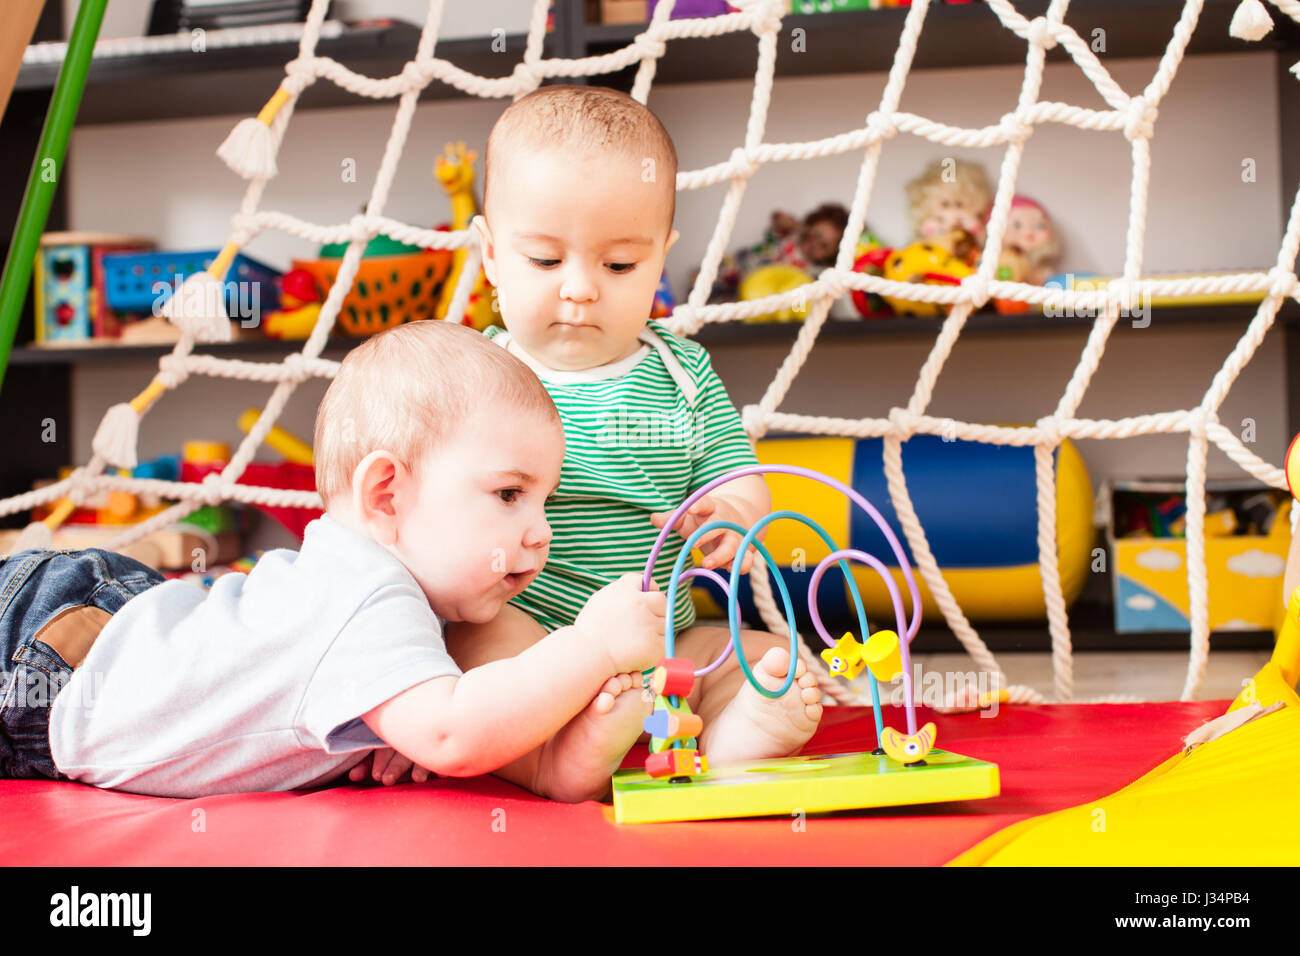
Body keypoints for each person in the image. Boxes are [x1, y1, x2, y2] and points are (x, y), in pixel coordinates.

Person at [0, 320, 665, 800]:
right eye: (510, 494)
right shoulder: (368, 596)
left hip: (105, 622)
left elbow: (445, 728)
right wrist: (592, 648)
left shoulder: (380, 592)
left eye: (544, 500)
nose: (541, 532)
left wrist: (557, 762)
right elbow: (455, 733)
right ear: (387, 493)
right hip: (54, 656)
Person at [454, 85, 823, 802]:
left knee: (765, 656)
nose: (582, 289)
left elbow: (739, 479)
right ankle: (569, 742)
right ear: (492, 255)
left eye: (619, 265)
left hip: (663, 645)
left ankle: (726, 737)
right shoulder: (474, 379)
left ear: (661, 259)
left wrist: (726, 518)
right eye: (544, 260)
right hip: (531, 635)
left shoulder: (685, 376)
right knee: (468, 649)